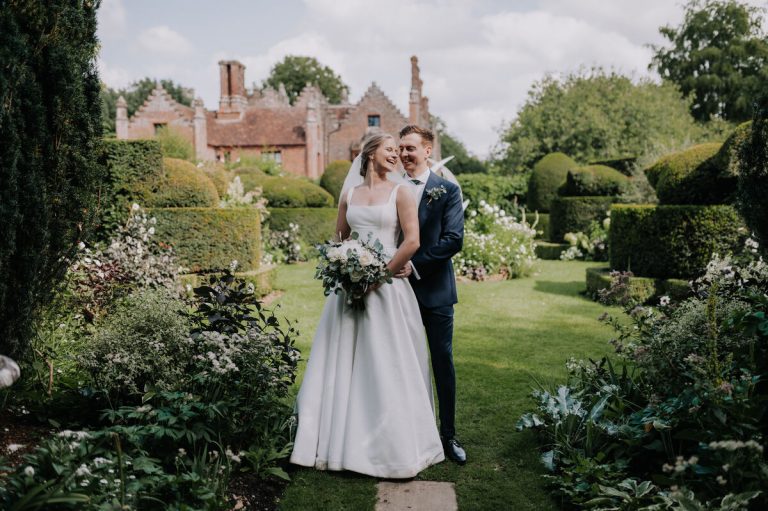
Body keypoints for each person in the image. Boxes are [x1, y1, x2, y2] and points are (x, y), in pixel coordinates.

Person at [290, 132, 445, 478]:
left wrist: (379, 277)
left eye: (398, 150)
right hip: (348, 289)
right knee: (342, 360)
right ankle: (336, 439)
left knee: (386, 361)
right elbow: (339, 238)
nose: (396, 155)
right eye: (390, 149)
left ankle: (392, 445)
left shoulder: (401, 192)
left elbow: (412, 241)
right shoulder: (349, 193)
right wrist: (342, 264)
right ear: (371, 153)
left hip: (387, 288)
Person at [397, 125, 466, 465]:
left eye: (411, 148)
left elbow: (453, 239)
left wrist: (415, 266)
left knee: (442, 362)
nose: (405, 154)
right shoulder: (390, 188)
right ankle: (406, 434)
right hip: (393, 291)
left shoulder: (447, 191)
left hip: (436, 291)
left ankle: (449, 435)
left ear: (428, 151)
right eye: (401, 148)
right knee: (399, 363)